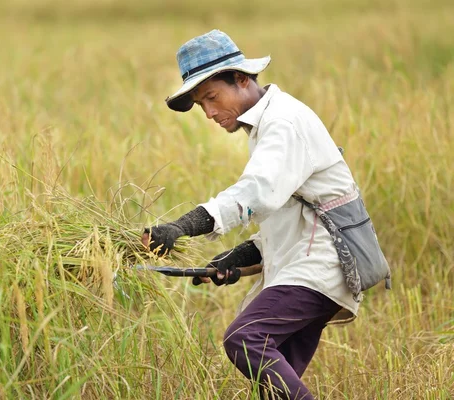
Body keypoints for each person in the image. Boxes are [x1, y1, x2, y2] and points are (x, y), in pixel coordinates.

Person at [141, 29, 383, 399]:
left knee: (245, 339)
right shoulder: (266, 125)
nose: (208, 113)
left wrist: (180, 227)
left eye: (211, 97)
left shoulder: (282, 123)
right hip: (308, 267)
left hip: (321, 267)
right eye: (201, 105)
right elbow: (289, 217)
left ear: (241, 79)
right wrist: (237, 259)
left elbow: (256, 193)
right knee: (274, 390)